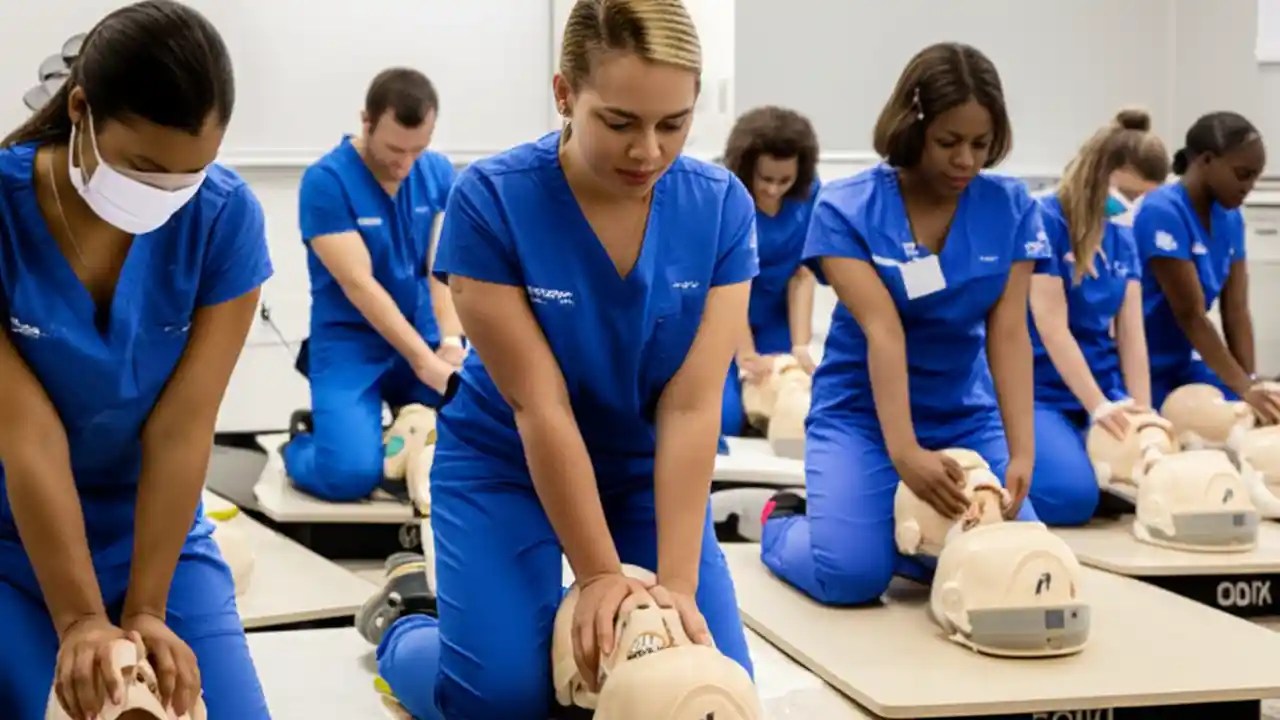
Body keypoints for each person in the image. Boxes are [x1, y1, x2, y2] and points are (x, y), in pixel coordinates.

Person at [370, 1, 757, 717]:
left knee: (707, 687)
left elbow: (692, 403)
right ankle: (409, 628)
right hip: (506, 462)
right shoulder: (492, 200)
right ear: (563, 94)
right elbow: (539, 406)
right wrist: (600, 575)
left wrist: (674, 589)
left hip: (641, 471)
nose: (649, 152)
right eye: (620, 122)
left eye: (673, 124)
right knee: (506, 702)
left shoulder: (720, 208)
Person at [0, 2, 271, 718]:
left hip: (152, 533)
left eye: (191, 174)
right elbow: (27, 436)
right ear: (80, 110)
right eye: (145, 168)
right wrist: (80, 620)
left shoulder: (224, 217)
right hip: (12, 533)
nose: (165, 196)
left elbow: (183, 428)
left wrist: (147, 608)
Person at [758, 42, 1047, 606]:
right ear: (914, 128)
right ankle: (784, 520)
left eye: (980, 144)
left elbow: (1010, 334)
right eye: (948, 142)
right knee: (851, 578)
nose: (965, 160)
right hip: (861, 415)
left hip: (964, 414)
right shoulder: (847, 208)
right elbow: (883, 330)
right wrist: (906, 451)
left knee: (1017, 569)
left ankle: (910, 542)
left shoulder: (1012, 207)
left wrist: (1021, 453)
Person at [282, 68, 460, 503]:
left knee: (478, 441)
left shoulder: (438, 173)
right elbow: (359, 285)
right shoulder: (326, 182)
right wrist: (425, 364)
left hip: (422, 331)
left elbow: (443, 270)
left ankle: (393, 431)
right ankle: (303, 444)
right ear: (366, 122)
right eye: (395, 149)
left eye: (418, 149)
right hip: (351, 343)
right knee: (349, 476)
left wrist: (451, 342)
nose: (406, 163)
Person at [1026, 109, 1159, 526]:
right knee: (1072, 499)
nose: (1132, 206)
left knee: (1149, 478)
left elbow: (1133, 336)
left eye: (1143, 198)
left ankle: (1084, 460)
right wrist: (1097, 406)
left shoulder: (1121, 236)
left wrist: (1143, 414)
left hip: (1103, 386)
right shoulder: (1043, 220)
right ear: (1101, 173)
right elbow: (1051, 326)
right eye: (1129, 193)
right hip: (1040, 390)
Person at [1132, 112, 1280, 420]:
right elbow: (1191, 315)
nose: (1249, 187)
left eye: (1255, 177)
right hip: (1140, 366)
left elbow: (1236, 310)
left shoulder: (1230, 218)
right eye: (1242, 174)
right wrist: (1243, 388)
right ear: (1207, 160)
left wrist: (1251, 383)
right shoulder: (1162, 211)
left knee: (1258, 414)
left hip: (1184, 363)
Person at [718, 106, 820, 437]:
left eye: (784, 180)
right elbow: (726, 281)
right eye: (765, 179)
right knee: (725, 420)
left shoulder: (809, 196)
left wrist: (800, 346)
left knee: (797, 402)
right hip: (721, 314)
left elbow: (802, 274)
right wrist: (746, 354)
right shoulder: (724, 197)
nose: (774, 190)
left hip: (775, 318)